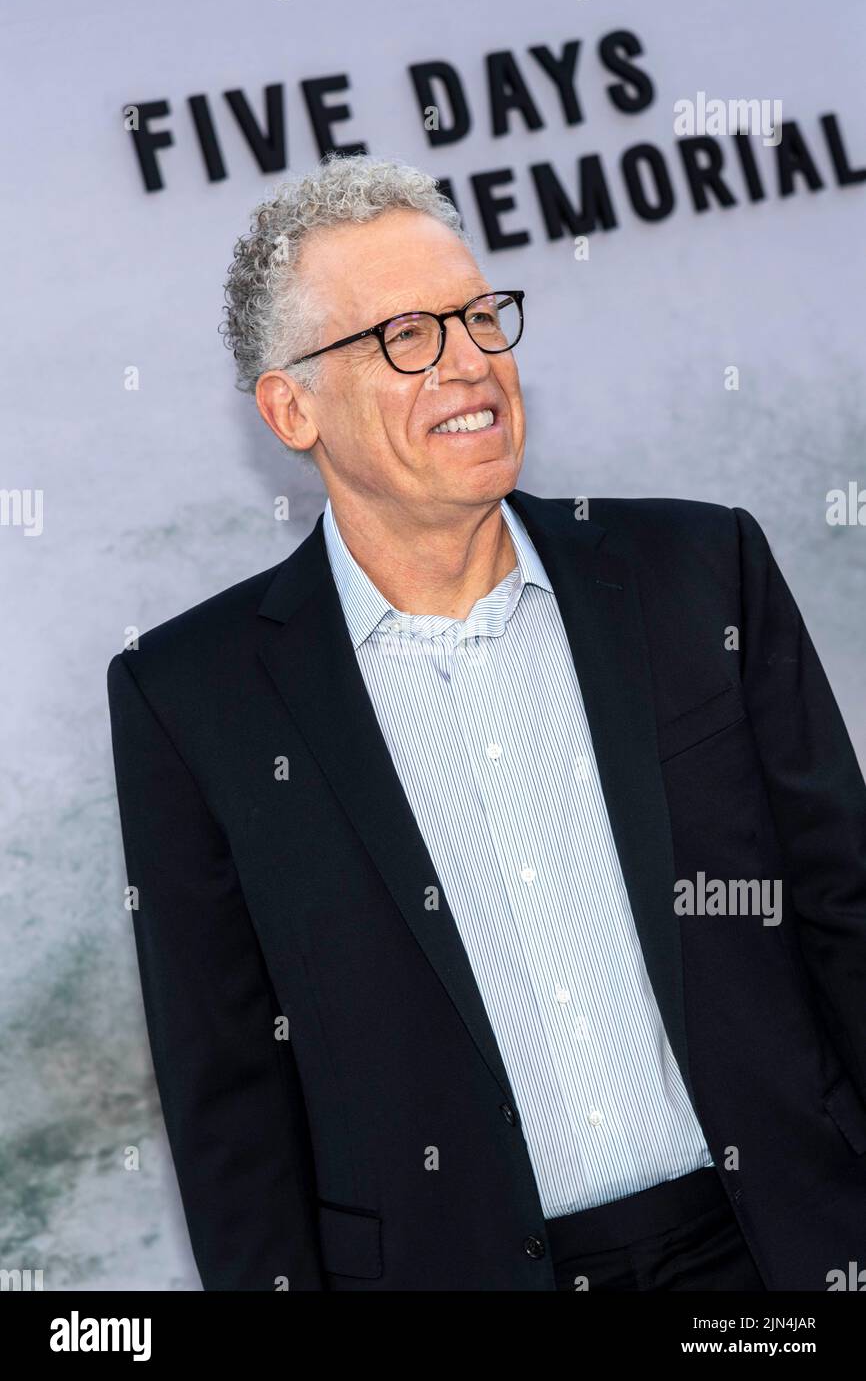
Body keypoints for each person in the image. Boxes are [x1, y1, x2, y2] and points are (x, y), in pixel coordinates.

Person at [107, 152, 866, 1292]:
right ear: (289, 406)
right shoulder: (191, 697)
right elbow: (228, 1101)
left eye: (478, 316)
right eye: (404, 336)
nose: (467, 361)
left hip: (773, 1256)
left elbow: (843, 913)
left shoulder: (698, 574)